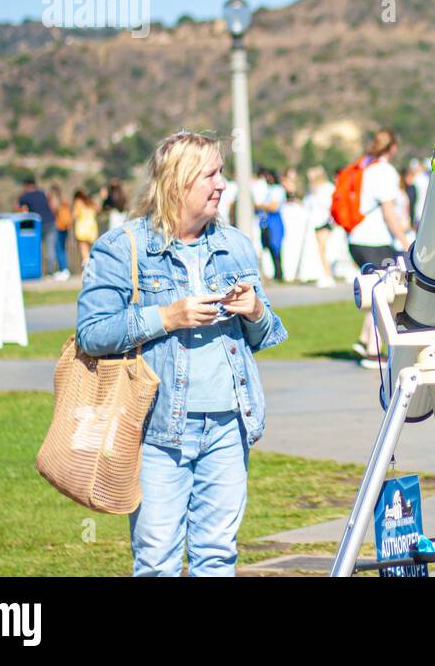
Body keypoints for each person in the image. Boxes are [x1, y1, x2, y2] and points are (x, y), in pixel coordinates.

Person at [76, 131, 287, 576]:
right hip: (157, 431)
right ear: (177, 181)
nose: (222, 184)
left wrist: (254, 312)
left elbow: (267, 334)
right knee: (157, 561)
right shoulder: (121, 248)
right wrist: (166, 317)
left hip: (230, 426)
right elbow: (91, 333)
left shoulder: (235, 244)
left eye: (221, 173)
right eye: (211, 174)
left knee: (217, 555)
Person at [347, 129, 412, 368]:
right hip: (374, 240)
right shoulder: (385, 171)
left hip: (357, 238)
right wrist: (405, 241)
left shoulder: (365, 167)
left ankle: (365, 340)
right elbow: (389, 213)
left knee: (375, 290)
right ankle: (373, 351)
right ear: (392, 148)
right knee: (384, 294)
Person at [16, 177, 57, 276]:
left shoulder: (25, 197)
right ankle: (51, 271)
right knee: (50, 248)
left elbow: (18, 208)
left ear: (26, 186)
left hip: (38, 225)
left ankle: (38, 271)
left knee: (36, 249)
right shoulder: (42, 193)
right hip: (51, 222)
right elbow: (51, 205)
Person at [303, 166, 336, 287]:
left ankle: (328, 275)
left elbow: (330, 205)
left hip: (324, 221)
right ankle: (325, 274)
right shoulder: (313, 190)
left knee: (323, 249)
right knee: (320, 249)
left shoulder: (327, 188)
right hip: (316, 222)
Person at [49, 185, 72, 280]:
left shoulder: (56, 202)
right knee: (62, 248)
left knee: (59, 249)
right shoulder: (65, 201)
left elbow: (53, 210)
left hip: (59, 227)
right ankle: (64, 269)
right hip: (66, 226)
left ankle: (64, 269)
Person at [72, 189, 99, 270]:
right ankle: (93, 266)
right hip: (92, 228)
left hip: (82, 228)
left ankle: (88, 267)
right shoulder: (91, 203)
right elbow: (98, 210)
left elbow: (74, 215)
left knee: (84, 249)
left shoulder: (78, 202)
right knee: (91, 250)